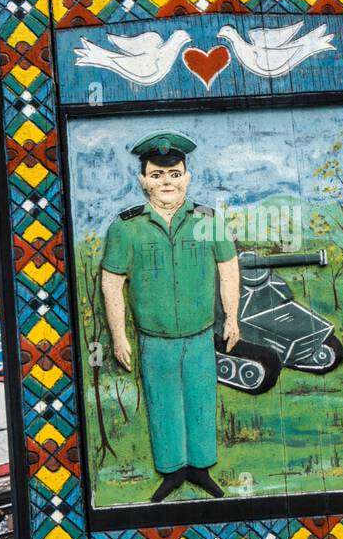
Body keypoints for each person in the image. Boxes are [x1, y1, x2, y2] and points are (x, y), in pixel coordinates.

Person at [101, 132, 240, 502]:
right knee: (163, 401)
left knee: (200, 398)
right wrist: (119, 336)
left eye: (175, 174)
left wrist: (232, 317)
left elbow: (228, 267)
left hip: (198, 336)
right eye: (158, 175)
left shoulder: (208, 220)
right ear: (144, 180)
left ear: (187, 178)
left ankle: (200, 467)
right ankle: (172, 471)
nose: (167, 183)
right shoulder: (126, 227)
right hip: (154, 339)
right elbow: (112, 282)